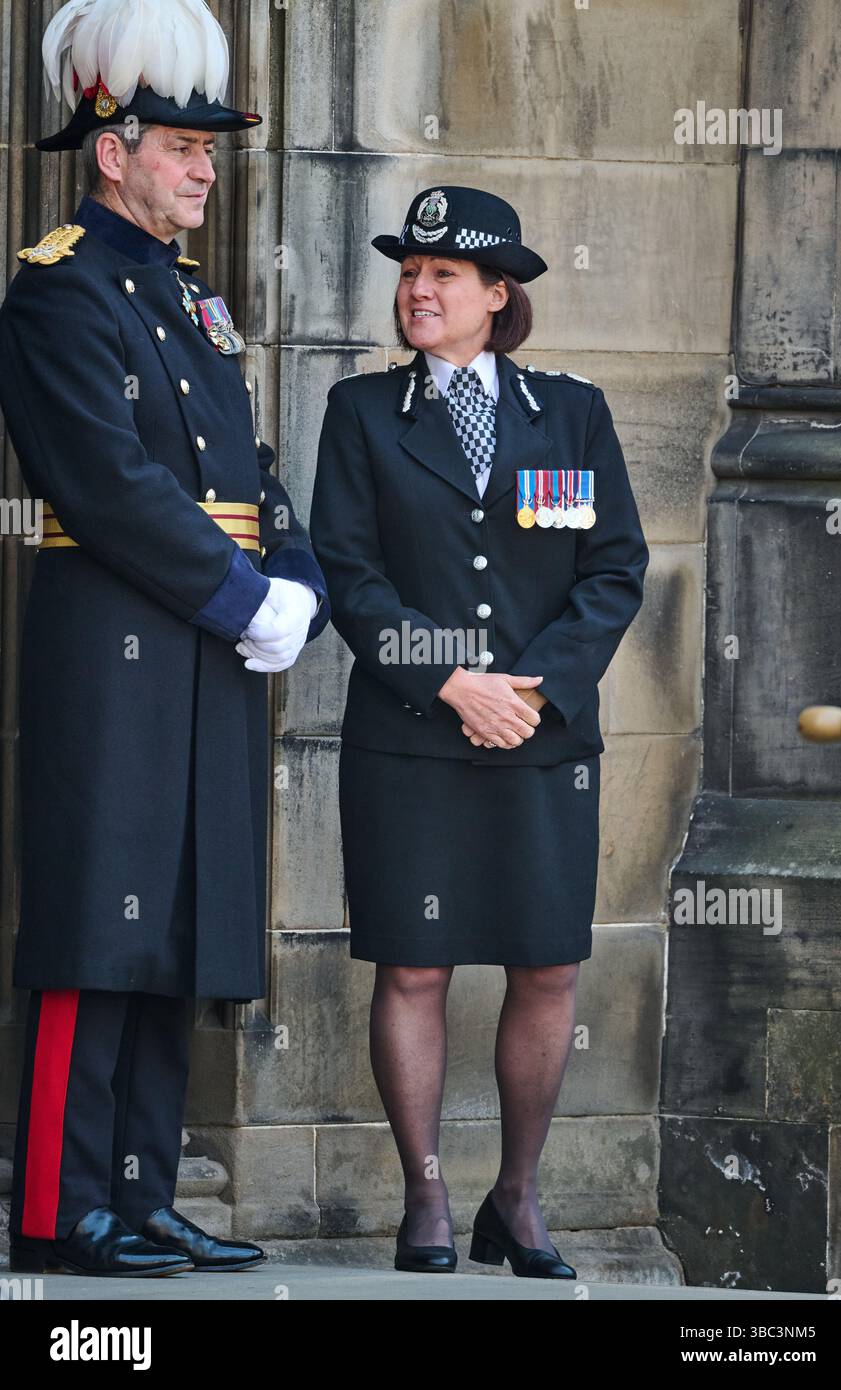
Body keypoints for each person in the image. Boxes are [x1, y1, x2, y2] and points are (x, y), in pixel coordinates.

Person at [0, 0, 329, 1277]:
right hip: (115, 646)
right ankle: (59, 1204)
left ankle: (140, 1190)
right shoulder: (56, 290)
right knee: (96, 924)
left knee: (181, 919)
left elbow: (249, 465)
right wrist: (243, 595)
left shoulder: (191, 300)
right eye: (181, 144)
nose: (204, 166)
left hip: (210, 647)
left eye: (209, 147)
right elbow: (106, 485)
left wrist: (292, 570)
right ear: (110, 150)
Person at [310, 185, 649, 1278]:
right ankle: (425, 1201)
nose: (417, 288)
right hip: (411, 734)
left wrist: (531, 689)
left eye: (442, 273)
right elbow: (349, 578)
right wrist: (452, 680)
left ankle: (518, 1196)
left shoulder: (572, 411)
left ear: (495, 296)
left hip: (540, 741)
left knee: (545, 966)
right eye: (408, 270)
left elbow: (612, 570)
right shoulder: (360, 413)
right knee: (413, 968)